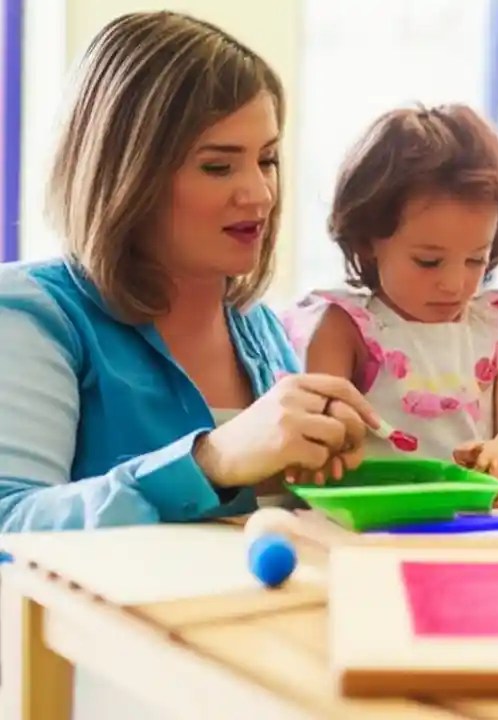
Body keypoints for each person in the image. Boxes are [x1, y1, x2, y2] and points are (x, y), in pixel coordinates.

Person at [0, 12, 379, 531]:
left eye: (266, 160)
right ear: (126, 175)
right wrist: (210, 462)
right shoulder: (35, 315)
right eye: (218, 166)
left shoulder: (263, 330)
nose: (260, 194)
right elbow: (10, 522)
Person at [282, 105, 498, 480]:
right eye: (428, 262)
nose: (455, 285)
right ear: (368, 241)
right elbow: (316, 427)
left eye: (475, 260)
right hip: (369, 520)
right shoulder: (347, 327)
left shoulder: (496, 323)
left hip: (467, 518)